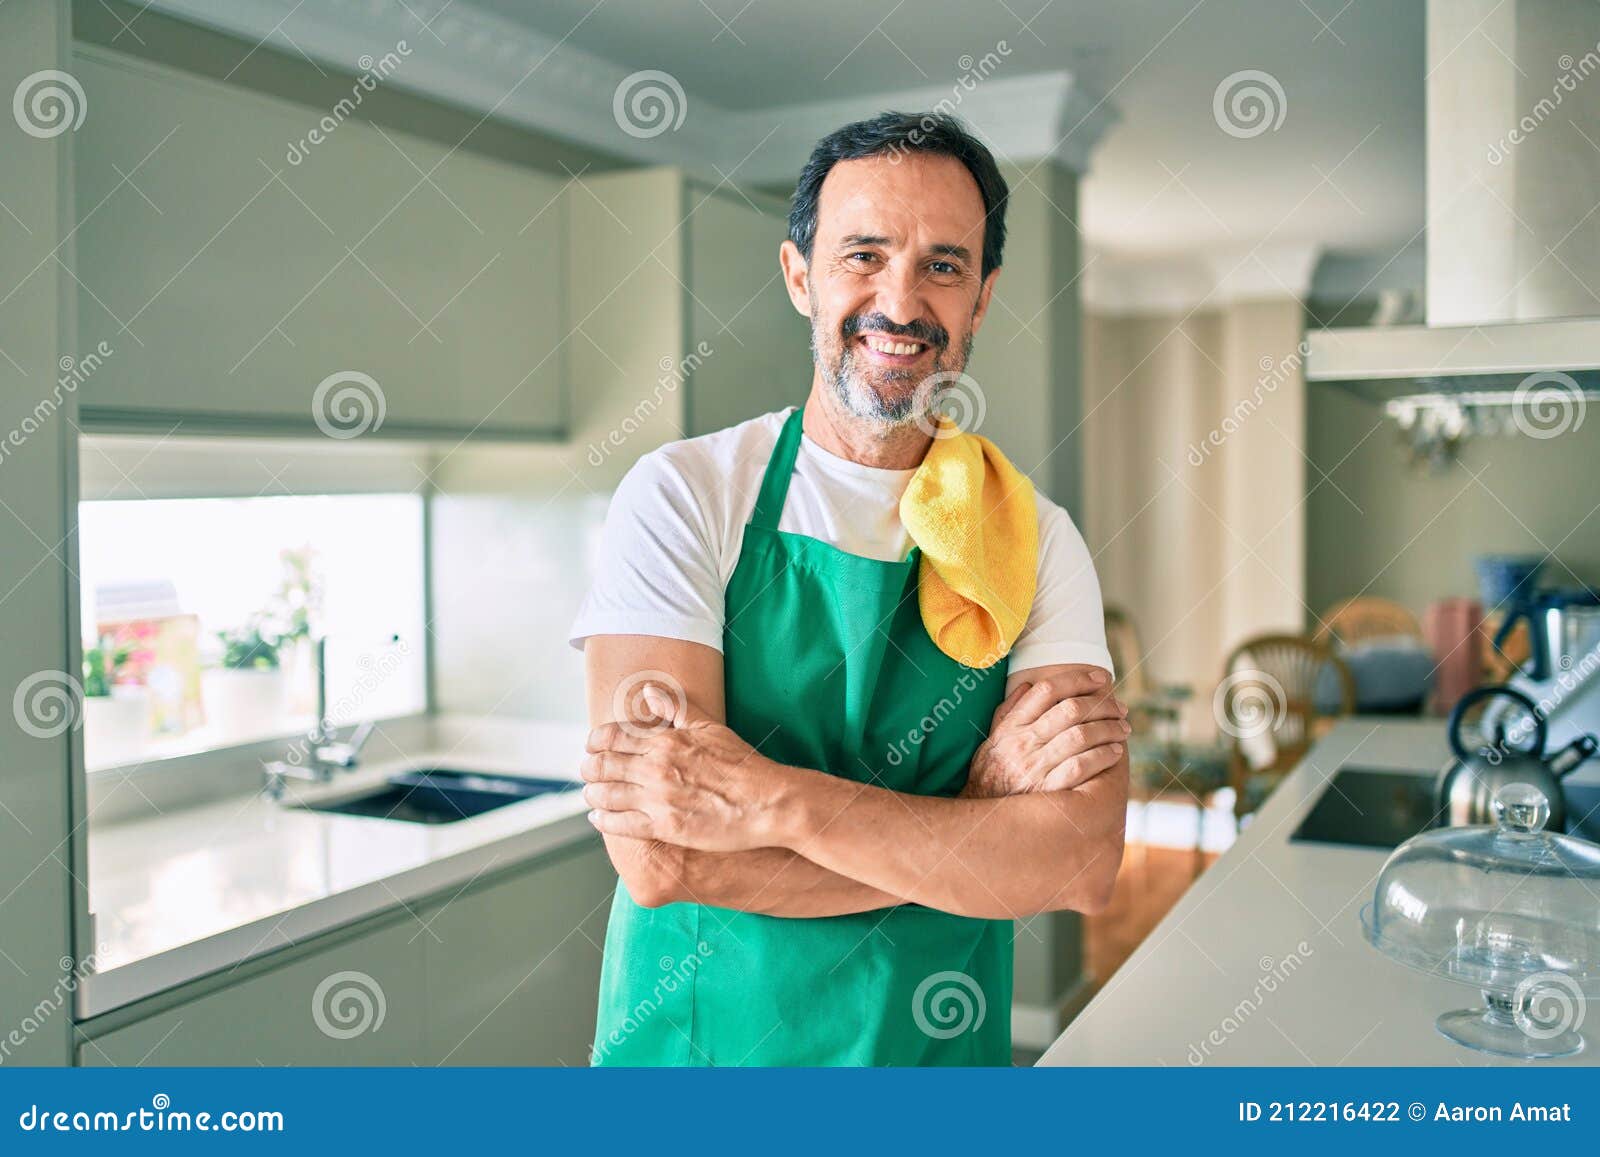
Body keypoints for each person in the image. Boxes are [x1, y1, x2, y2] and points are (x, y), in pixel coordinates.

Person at [571, 111, 1128, 1066]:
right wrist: (970, 827)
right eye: (862, 255)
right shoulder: (685, 498)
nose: (900, 302)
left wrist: (772, 800)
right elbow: (665, 858)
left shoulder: (1035, 539)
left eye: (943, 266)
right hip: (701, 1057)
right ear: (800, 275)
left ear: (983, 298)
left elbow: (1080, 861)